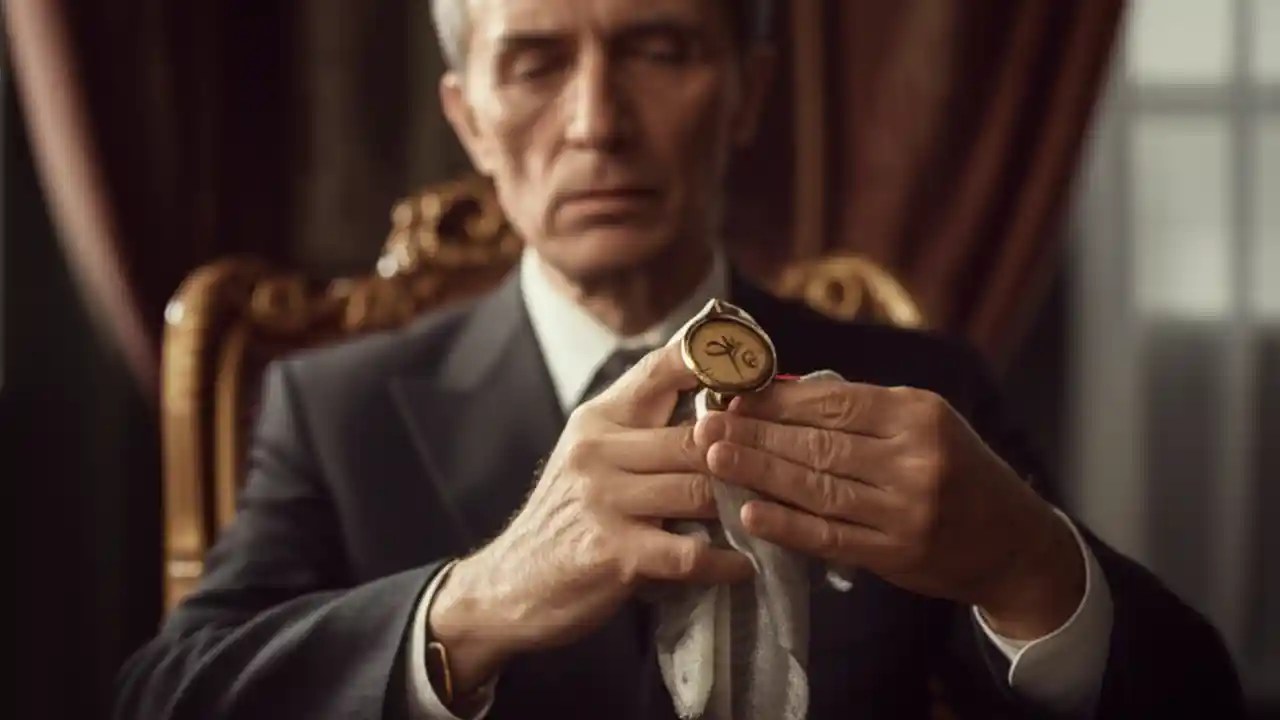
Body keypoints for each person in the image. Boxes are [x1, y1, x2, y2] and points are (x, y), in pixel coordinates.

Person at [116, 0, 1243, 718]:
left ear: (745, 93)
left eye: (657, 49)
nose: (597, 121)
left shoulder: (920, 384)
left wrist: (1024, 564)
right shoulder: (333, 405)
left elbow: (1195, 699)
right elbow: (164, 696)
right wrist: (478, 601)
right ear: (468, 121)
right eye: (536, 62)